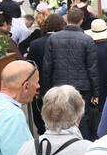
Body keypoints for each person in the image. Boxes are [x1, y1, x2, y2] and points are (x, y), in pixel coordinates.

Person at [42, 8, 102, 138]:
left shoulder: (53, 39)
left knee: (59, 116)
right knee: (82, 118)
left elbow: (47, 67)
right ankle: (82, 144)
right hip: (82, 86)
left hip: (59, 85)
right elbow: (92, 68)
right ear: (81, 20)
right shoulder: (87, 39)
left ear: (66, 19)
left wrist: (45, 90)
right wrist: (96, 92)